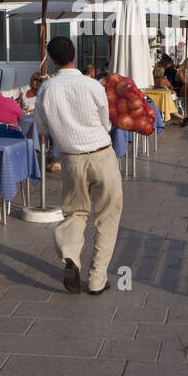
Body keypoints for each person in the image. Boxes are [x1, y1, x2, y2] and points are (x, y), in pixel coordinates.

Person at [34, 36, 122, 295]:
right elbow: (105, 122)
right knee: (107, 216)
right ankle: (96, 280)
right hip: (101, 153)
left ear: (51, 60)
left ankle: (71, 255)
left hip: (71, 159)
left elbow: (41, 127)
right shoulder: (92, 85)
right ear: (74, 54)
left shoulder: (46, 89)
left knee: (75, 213)